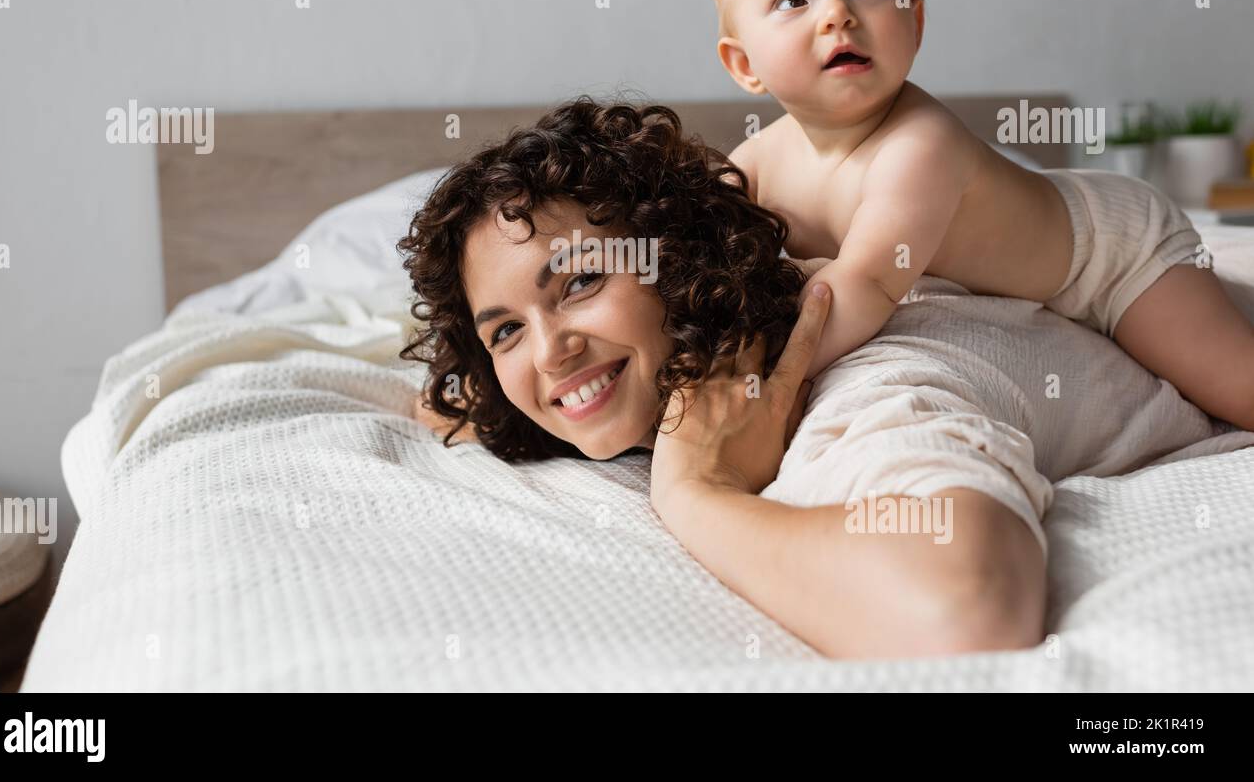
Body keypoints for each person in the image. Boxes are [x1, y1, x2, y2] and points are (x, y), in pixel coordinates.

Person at [396, 96, 1251, 659]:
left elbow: (969, 606)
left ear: (679, 256)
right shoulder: (776, 291)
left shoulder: (858, 385)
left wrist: (698, 493)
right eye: (504, 330)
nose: (548, 353)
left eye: (581, 281)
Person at [707, 0, 1254, 427]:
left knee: (1237, 386)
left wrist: (749, 378)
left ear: (915, 23)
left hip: (1115, 255)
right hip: (1067, 242)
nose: (838, 13)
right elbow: (697, 235)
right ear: (745, 65)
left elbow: (864, 285)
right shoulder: (755, 160)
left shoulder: (919, 147)